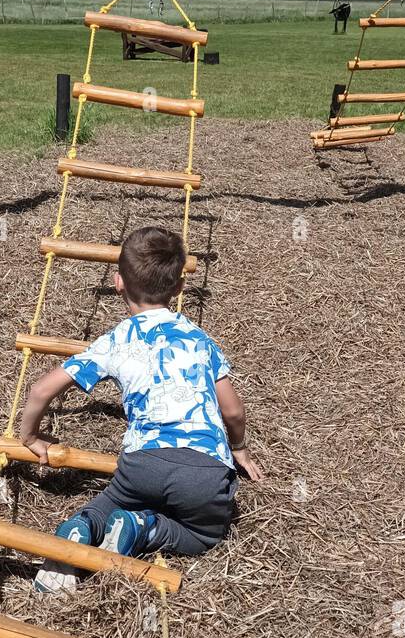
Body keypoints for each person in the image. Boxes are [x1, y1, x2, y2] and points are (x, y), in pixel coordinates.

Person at [18, 225, 262, 594]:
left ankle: (82, 527)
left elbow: (41, 390)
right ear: (180, 288)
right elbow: (233, 411)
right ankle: (144, 529)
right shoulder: (199, 340)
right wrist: (239, 447)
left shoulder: (115, 341)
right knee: (205, 533)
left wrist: (30, 436)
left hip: (142, 464)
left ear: (118, 282)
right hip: (204, 472)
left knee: (109, 501)